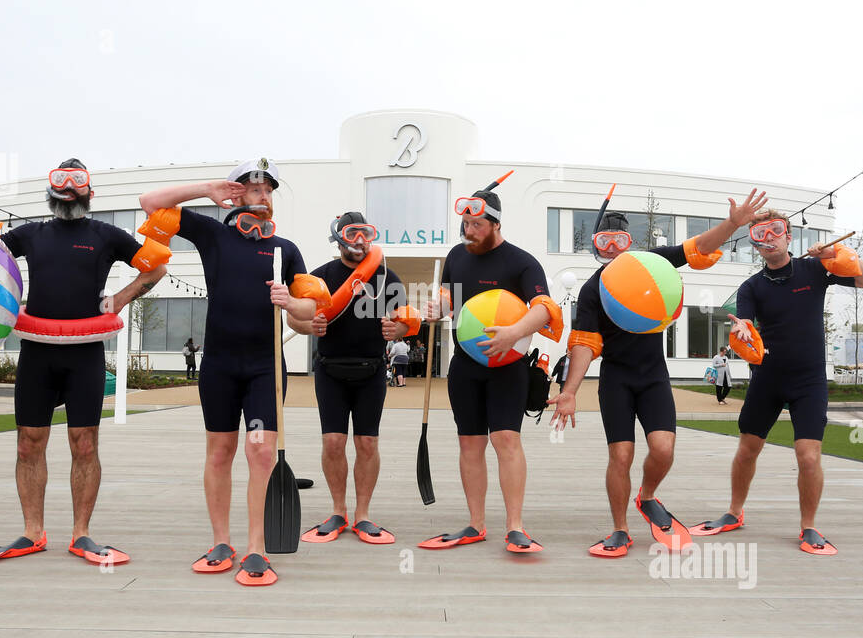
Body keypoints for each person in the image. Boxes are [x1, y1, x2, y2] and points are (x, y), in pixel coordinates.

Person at [0, 158, 168, 567]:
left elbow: (155, 267)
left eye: (78, 181)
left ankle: (81, 534)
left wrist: (119, 300)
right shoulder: (32, 234)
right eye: (62, 182)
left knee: (83, 443)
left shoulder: (106, 235)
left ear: (89, 191)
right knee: (28, 442)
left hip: (85, 352)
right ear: (51, 192)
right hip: (37, 351)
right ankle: (32, 532)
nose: (69, 189)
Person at [551, 189, 766, 556]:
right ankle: (620, 530)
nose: (614, 247)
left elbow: (695, 248)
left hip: (653, 376)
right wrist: (570, 391)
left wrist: (732, 223)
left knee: (663, 450)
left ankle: (647, 495)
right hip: (616, 379)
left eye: (620, 240)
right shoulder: (591, 291)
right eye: (606, 241)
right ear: (596, 247)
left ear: (630, 244)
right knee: (620, 456)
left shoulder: (650, 262)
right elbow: (584, 345)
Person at [138, 159, 320, 586]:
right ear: (237, 192)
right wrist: (206, 189)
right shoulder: (213, 233)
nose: (265, 196)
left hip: (264, 371)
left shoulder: (285, 249)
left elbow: (310, 310)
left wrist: (291, 303)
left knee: (259, 453)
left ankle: (256, 547)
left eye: (269, 190)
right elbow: (149, 202)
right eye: (256, 188)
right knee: (220, 453)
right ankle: (222, 541)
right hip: (219, 366)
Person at [695, 210, 863, 555]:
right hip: (768, 376)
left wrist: (834, 256)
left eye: (774, 231)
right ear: (754, 244)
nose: (767, 240)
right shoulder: (751, 286)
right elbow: (745, 324)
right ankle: (734, 512)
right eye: (759, 235)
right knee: (747, 449)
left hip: (809, 380)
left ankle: (808, 527)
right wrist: (741, 330)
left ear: (788, 236)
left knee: (808, 456)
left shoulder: (816, 269)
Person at [419, 184, 563, 553]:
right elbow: (451, 297)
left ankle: (515, 526)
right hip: (465, 366)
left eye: (476, 224)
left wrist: (513, 332)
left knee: (506, 439)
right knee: (470, 442)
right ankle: (475, 524)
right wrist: (440, 307)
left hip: (508, 366)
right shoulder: (456, 255)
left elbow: (545, 308)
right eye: (464, 224)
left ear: (495, 224)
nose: (468, 231)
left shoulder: (521, 262)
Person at [287, 212, 415, 545]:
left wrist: (396, 329)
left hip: (371, 371)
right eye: (352, 233)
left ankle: (364, 515)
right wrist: (308, 326)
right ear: (339, 238)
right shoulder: (321, 276)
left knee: (367, 443)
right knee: (333, 442)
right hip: (330, 370)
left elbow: (405, 324)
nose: (360, 240)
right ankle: (337, 511)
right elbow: (294, 320)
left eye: (366, 233)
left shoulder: (389, 278)